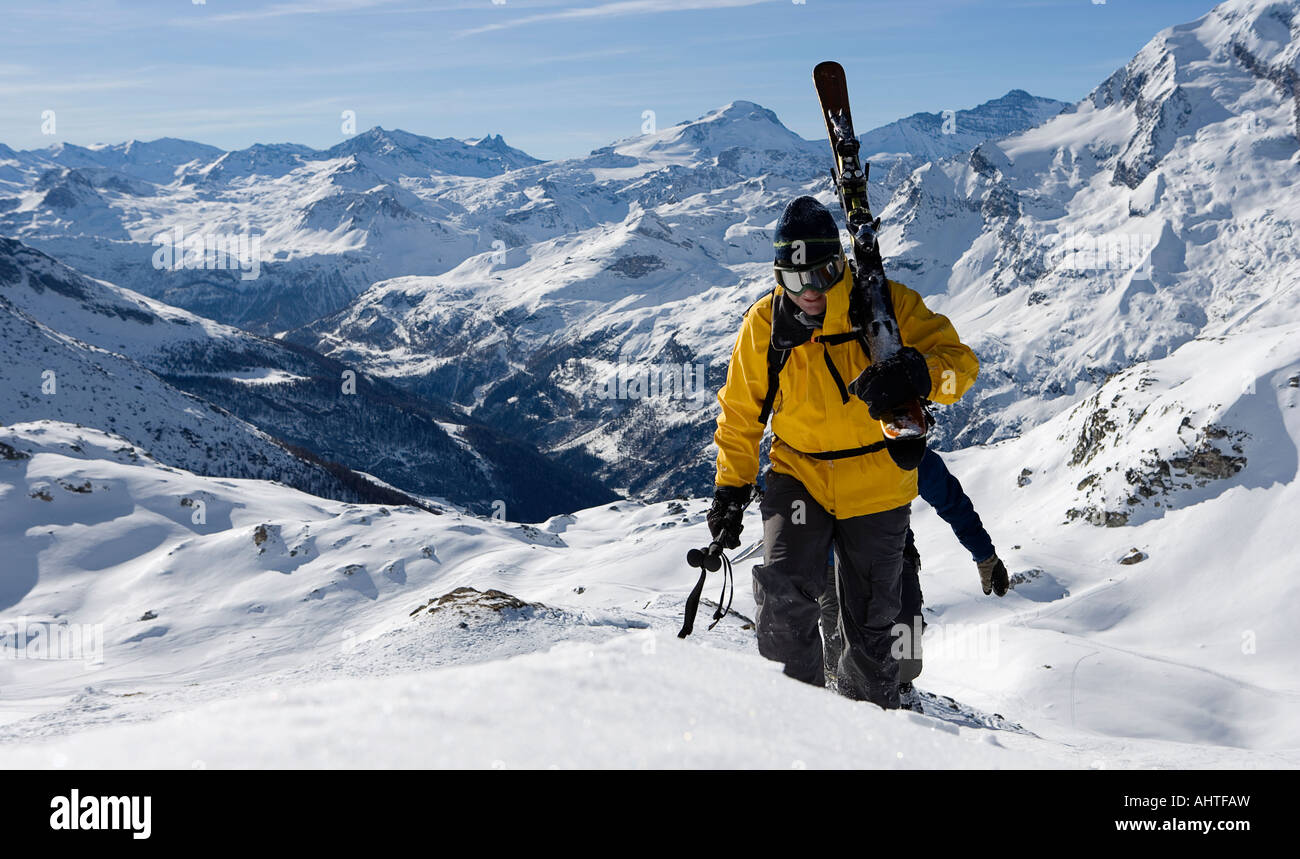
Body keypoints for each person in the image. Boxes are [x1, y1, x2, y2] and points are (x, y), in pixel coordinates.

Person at [707, 195, 978, 709]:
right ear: (778, 277)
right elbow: (741, 413)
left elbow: (961, 366)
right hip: (799, 475)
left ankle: (866, 736)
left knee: (874, 628)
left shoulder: (888, 306)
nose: (809, 292)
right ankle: (796, 726)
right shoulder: (765, 325)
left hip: (877, 485)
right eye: (793, 280)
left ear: (841, 264)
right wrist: (730, 488)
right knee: (784, 595)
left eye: (823, 273)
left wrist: (920, 373)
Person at [819, 447, 1010, 708]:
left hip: (894, 555)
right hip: (834, 563)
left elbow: (950, 500)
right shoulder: (827, 442)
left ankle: (902, 690)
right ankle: (841, 703)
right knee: (843, 653)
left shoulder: (901, 451)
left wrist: (984, 555)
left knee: (905, 642)